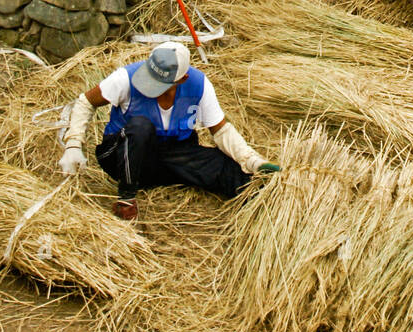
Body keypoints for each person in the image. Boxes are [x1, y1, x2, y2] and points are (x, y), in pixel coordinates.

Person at [57, 41, 279, 219]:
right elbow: (86, 102)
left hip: (169, 156)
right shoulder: (125, 78)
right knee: (140, 127)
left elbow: (220, 131)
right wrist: (73, 143)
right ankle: (126, 198)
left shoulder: (199, 85)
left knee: (223, 165)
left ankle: (265, 201)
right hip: (123, 157)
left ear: (182, 79)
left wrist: (251, 160)